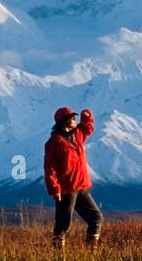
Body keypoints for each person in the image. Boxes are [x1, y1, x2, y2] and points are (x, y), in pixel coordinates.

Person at [43, 106, 103, 249]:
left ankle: (90, 255)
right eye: (72, 118)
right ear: (64, 121)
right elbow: (49, 168)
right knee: (63, 224)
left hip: (81, 186)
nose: (75, 120)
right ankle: (58, 256)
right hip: (66, 189)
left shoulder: (77, 136)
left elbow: (88, 128)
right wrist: (54, 188)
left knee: (96, 218)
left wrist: (87, 116)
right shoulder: (53, 143)